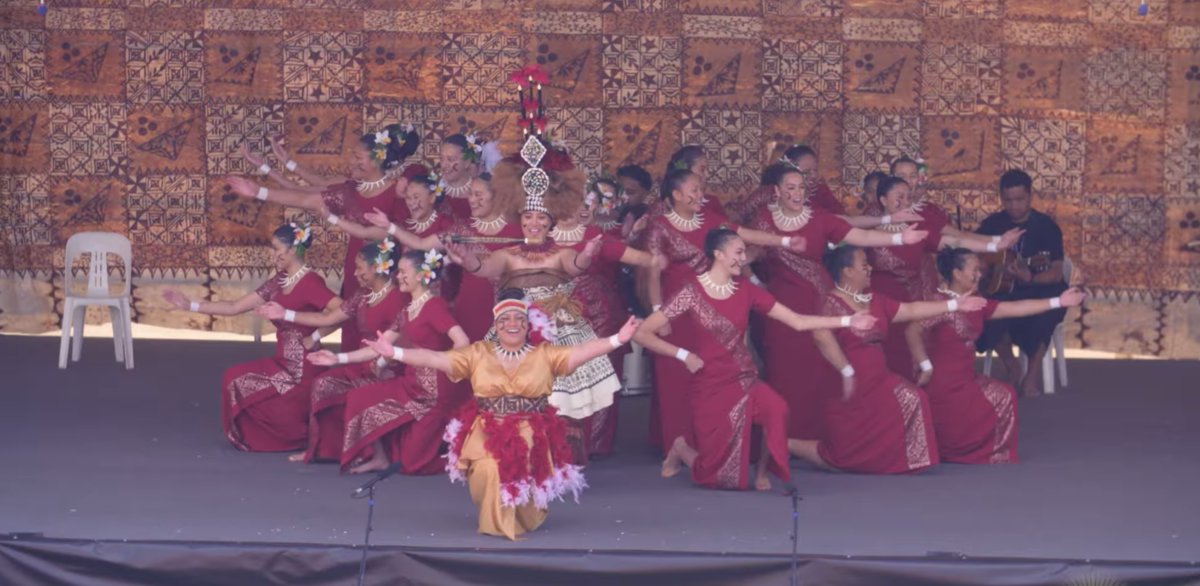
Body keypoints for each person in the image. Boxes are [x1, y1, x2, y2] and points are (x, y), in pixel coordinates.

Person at [365, 290, 641, 540]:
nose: (512, 324)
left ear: (527, 325)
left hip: (531, 431)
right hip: (487, 428)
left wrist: (619, 339)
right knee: (489, 469)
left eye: (519, 319)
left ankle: (517, 519)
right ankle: (496, 526)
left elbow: (581, 351)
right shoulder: (477, 353)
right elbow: (434, 358)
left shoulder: (544, 354)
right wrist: (395, 352)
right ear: (496, 326)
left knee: (523, 494)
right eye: (505, 319)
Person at [634, 229, 876, 491]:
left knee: (777, 410)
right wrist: (683, 355)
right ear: (718, 254)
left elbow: (796, 320)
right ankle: (681, 448)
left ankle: (762, 472)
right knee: (716, 477)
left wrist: (847, 320)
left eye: (744, 252)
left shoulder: (747, 290)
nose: (743, 258)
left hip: (743, 377)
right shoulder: (690, 292)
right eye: (738, 252)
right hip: (709, 384)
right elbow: (642, 333)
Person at [443, 136, 616, 461]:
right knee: (514, 396)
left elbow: (575, 266)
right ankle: (518, 451)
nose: (534, 224)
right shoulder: (508, 253)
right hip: (515, 331)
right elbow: (484, 267)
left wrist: (588, 254)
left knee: (559, 401)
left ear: (550, 223)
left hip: (559, 331)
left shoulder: (562, 252)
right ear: (520, 222)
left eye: (540, 219)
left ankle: (557, 457)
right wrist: (466, 258)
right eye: (528, 220)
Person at [746, 164, 929, 440]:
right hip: (782, 304)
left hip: (819, 300)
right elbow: (751, 251)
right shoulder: (763, 218)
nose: (797, 193)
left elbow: (859, 234)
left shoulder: (819, 218)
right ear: (777, 191)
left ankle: (823, 436)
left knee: (821, 367)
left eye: (801, 187)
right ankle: (785, 436)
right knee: (784, 369)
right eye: (790, 188)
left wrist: (899, 236)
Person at [643, 168, 806, 453]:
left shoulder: (711, 221)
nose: (699, 195)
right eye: (693, 189)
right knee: (677, 381)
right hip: (675, 314)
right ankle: (681, 445)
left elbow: (743, 233)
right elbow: (653, 273)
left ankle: (718, 443)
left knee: (717, 376)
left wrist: (784, 241)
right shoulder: (659, 225)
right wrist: (657, 313)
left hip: (712, 312)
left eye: (700, 188)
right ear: (676, 195)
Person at [787, 245, 987, 474]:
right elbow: (821, 336)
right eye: (864, 265)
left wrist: (953, 304)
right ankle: (786, 444)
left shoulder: (875, 300)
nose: (870, 268)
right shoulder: (830, 302)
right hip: (845, 381)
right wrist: (846, 371)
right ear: (848, 271)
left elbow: (911, 310)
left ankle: (890, 461)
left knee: (915, 398)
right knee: (841, 458)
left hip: (878, 377)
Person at [228, 123, 420, 350]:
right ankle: (351, 366)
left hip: (389, 268)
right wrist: (259, 189)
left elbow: (419, 181)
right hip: (356, 265)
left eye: (358, 156)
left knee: (386, 321)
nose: (351, 161)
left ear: (378, 158)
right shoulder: (351, 190)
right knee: (353, 315)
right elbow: (305, 198)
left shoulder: (399, 191)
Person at [164, 223, 337, 452]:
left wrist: (315, 335)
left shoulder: (311, 282)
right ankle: (272, 432)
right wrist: (190, 305)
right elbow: (235, 306)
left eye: (276, 248)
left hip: (302, 368)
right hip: (283, 361)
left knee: (240, 382)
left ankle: (295, 432)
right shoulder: (279, 281)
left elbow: (343, 312)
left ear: (293, 250)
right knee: (233, 377)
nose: (273, 254)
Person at [906, 248, 1086, 464]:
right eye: (974, 271)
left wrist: (1059, 302)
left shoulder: (976, 303)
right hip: (942, 381)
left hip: (965, 377)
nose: (980, 275)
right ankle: (948, 448)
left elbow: (1014, 308)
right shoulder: (940, 302)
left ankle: (976, 450)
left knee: (1004, 395)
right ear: (957, 274)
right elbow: (912, 331)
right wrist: (925, 366)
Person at [308, 249, 471, 474]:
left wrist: (441, 363)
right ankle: (380, 458)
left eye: (404, 272)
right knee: (359, 396)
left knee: (412, 465)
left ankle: (466, 460)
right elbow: (379, 348)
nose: (398, 276)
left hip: (434, 392)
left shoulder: (434, 306)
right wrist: (337, 358)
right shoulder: (407, 310)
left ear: (421, 274)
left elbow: (462, 342)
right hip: (410, 383)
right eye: (398, 271)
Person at [256, 240, 406, 464]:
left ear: (376, 267)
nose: (355, 273)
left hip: (391, 369)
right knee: (323, 384)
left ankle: (367, 454)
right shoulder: (362, 295)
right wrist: (285, 313)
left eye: (359, 268)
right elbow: (328, 319)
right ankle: (322, 450)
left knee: (357, 393)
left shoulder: (399, 298)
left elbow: (402, 342)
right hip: (362, 364)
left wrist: (377, 364)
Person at [549, 178, 661, 458]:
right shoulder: (541, 239)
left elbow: (640, 258)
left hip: (598, 315)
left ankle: (596, 443)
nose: (565, 210)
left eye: (571, 205)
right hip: (555, 317)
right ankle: (561, 439)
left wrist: (654, 256)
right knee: (560, 376)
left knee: (599, 375)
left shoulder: (596, 236)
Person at [867, 177, 1021, 380]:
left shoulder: (916, 228)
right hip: (882, 303)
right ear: (883, 200)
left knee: (911, 357)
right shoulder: (868, 229)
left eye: (908, 197)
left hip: (913, 300)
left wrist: (996, 246)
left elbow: (953, 241)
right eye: (899, 197)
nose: (906, 202)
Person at [974, 169, 1070, 396]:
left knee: (1047, 313)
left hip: (1038, 289)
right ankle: (1013, 367)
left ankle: (1031, 376)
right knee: (983, 311)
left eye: (1019, 199)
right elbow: (975, 254)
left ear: (1030, 196)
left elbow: (1056, 272)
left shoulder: (1046, 227)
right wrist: (986, 266)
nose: (1014, 205)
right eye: (1008, 200)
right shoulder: (993, 224)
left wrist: (1031, 277)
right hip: (1003, 290)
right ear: (1001, 198)